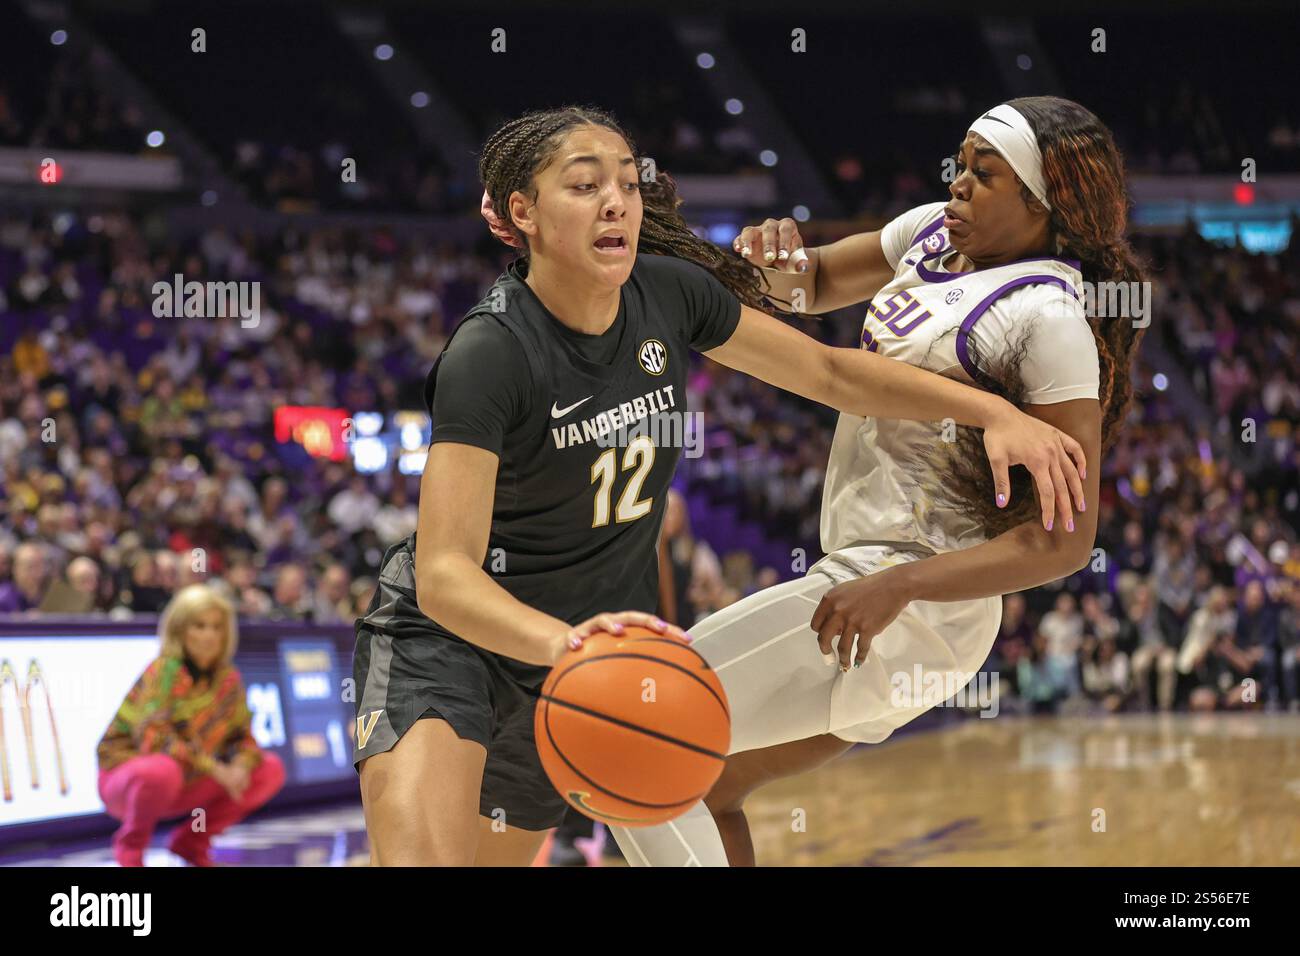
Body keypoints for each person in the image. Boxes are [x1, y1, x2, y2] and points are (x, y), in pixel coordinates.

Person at [352, 105, 1085, 867]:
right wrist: (570, 649)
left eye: (628, 184)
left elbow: (830, 372)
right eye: (583, 185)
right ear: (521, 213)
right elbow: (442, 577)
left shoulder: (668, 295)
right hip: (457, 645)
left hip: (572, 659)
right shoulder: (490, 352)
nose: (616, 201)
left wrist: (993, 410)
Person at [611, 95, 1145, 866]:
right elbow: (809, 286)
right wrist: (776, 258)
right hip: (861, 587)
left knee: (632, 729)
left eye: (983, 175)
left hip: (916, 610)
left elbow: (1064, 543)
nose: (958, 183)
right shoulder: (930, 231)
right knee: (706, 783)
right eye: (961, 165)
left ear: (1045, 202)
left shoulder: (1050, 319)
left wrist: (902, 588)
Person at [97, 584, 285, 866]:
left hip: (187, 779)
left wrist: (240, 766)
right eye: (199, 626)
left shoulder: (228, 679)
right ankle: (131, 847)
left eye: (216, 627)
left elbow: (243, 738)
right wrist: (216, 769)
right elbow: (154, 739)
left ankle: (191, 841)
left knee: (268, 770)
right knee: (162, 770)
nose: (210, 635)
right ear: (180, 629)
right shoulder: (164, 671)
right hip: (126, 778)